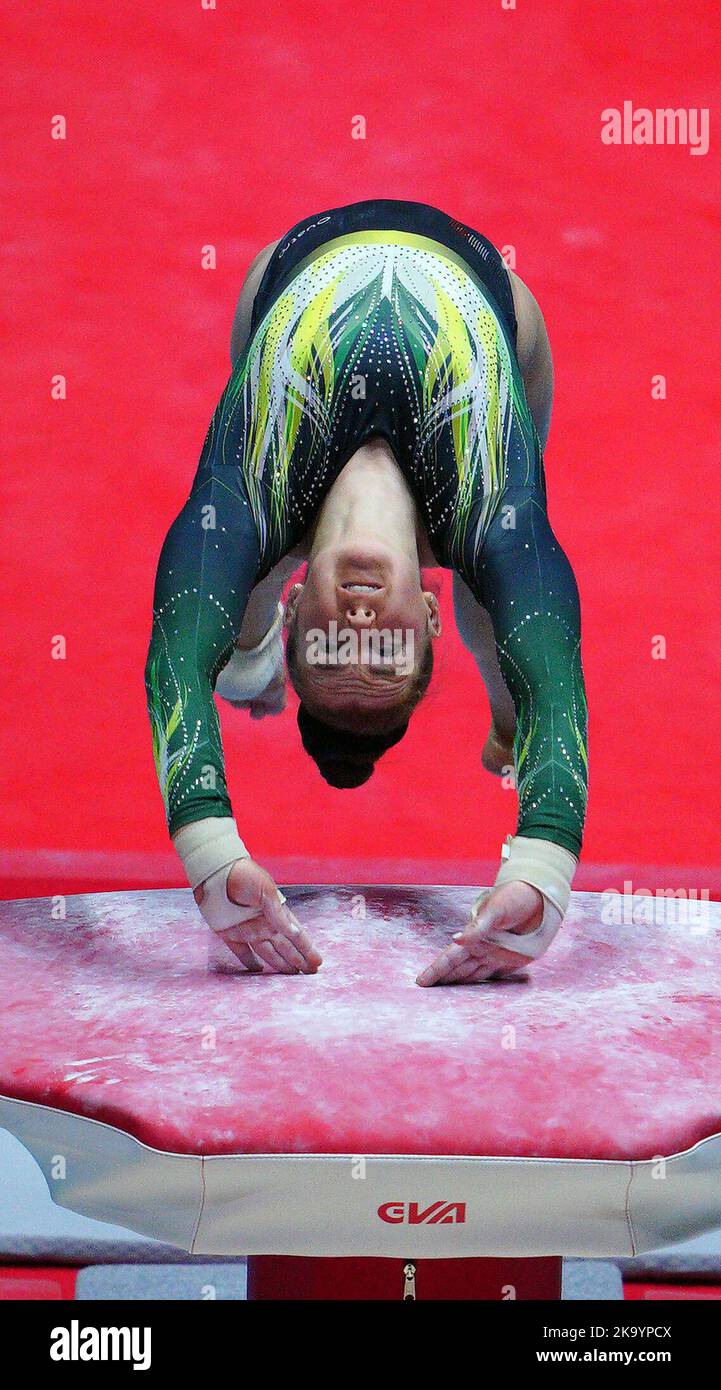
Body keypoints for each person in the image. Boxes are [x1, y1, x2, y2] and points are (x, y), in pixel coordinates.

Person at [145, 199, 587, 984]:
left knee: (239, 554)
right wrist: (541, 869)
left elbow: (172, 666)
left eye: (327, 644)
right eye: (383, 649)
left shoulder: (248, 495)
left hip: (286, 270)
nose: (355, 619)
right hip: (495, 302)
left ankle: (249, 665)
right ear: (424, 618)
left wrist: (212, 853)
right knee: (505, 591)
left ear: (295, 612)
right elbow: (560, 682)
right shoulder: (491, 508)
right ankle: (502, 727)